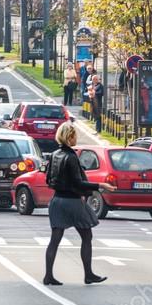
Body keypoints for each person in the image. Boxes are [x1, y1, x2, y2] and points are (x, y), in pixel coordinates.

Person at [43, 122, 116, 285]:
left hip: (56, 201)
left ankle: (48, 276)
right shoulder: (71, 157)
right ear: (69, 137)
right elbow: (78, 183)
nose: (77, 138)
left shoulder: (54, 154)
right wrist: (100, 185)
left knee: (55, 239)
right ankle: (88, 274)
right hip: (72, 201)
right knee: (86, 235)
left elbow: (48, 179)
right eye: (75, 135)